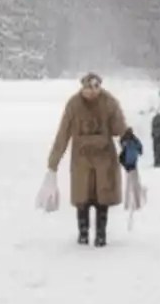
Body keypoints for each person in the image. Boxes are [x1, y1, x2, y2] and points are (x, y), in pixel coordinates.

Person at [47, 72, 129, 247]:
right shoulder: (74, 105)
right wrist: (53, 161)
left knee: (103, 198)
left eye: (95, 87)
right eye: (88, 88)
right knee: (82, 198)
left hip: (104, 159)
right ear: (82, 87)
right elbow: (63, 134)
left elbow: (120, 128)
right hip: (82, 161)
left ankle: (101, 234)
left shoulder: (109, 103)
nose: (92, 92)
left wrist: (129, 144)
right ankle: (83, 233)